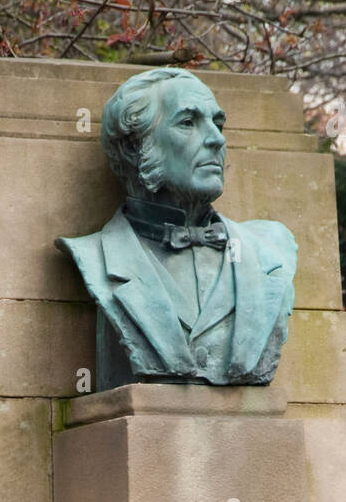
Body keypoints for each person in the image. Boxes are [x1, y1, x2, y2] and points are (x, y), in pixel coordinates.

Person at [56, 67, 297, 391]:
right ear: (133, 147)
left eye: (218, 123)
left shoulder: (272, 252)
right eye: (188, 123)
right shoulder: (94, 257)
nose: (217, 139)